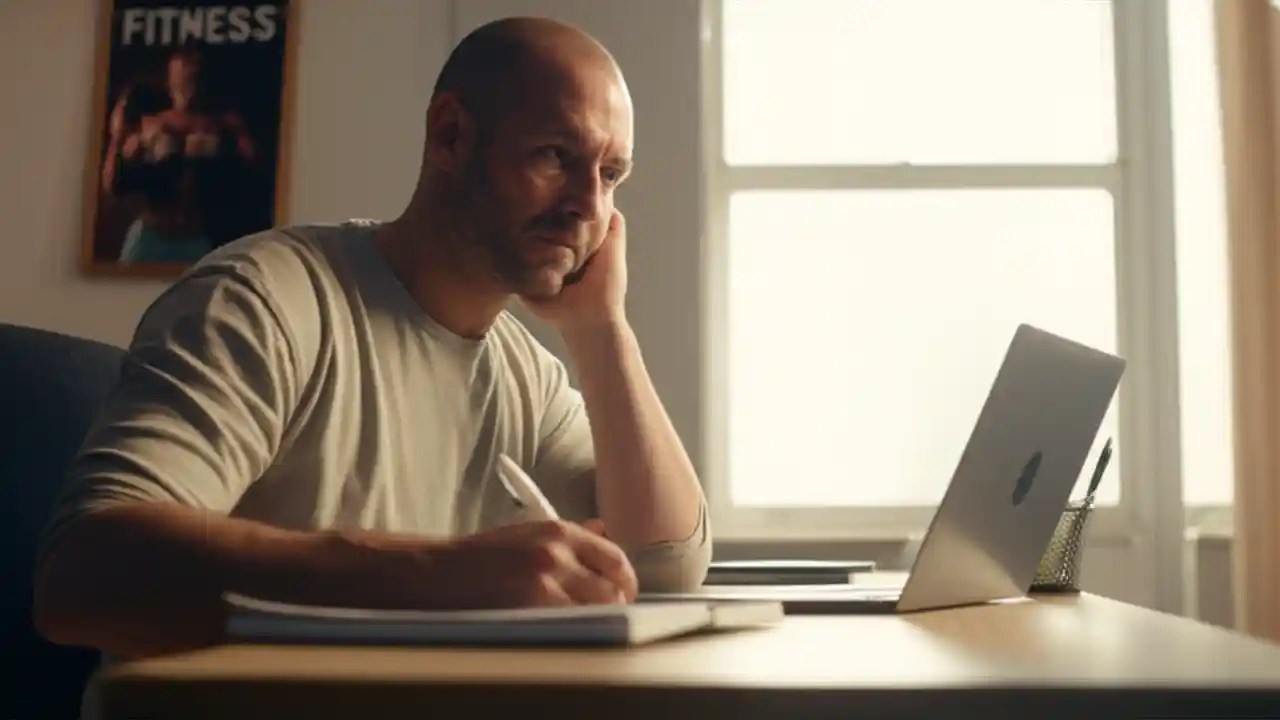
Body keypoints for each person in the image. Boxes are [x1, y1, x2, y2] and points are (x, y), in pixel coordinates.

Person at [36, 16, 710, 661]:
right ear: (450, 136)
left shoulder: (525, 374)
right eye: (555, 155)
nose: (589, 206)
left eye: (610, 175)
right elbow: (82, 575)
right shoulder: (264, 299)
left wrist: (601, 328)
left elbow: (663, 565)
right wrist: (438, 577)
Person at [101, 47, 256, 264]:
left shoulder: (223, 124)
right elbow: (114, 184)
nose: (188, 83)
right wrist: (117, 137)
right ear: (170, 81)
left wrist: (226, 146)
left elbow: (251, 169)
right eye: (182, 75)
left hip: (196, 237)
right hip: (151, 235)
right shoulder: (152, 126)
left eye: (193, 75)